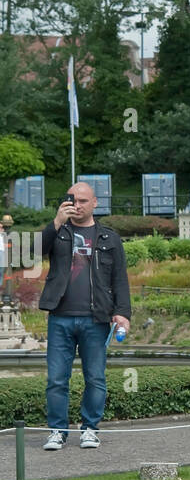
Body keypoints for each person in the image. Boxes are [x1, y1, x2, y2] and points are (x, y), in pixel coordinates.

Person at [39, 182, 131, 449]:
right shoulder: (58, 232)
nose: (76, 205)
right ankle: (57, 431)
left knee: (95, 378)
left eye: (82, 201)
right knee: (56, 379)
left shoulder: (109, 238)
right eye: (71, 200)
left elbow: (120, 279)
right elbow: (32, 253)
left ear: (94, 203)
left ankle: (90, 428)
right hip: (60, 317)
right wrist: (55, 222)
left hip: (96, 319)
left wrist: (122, 313)